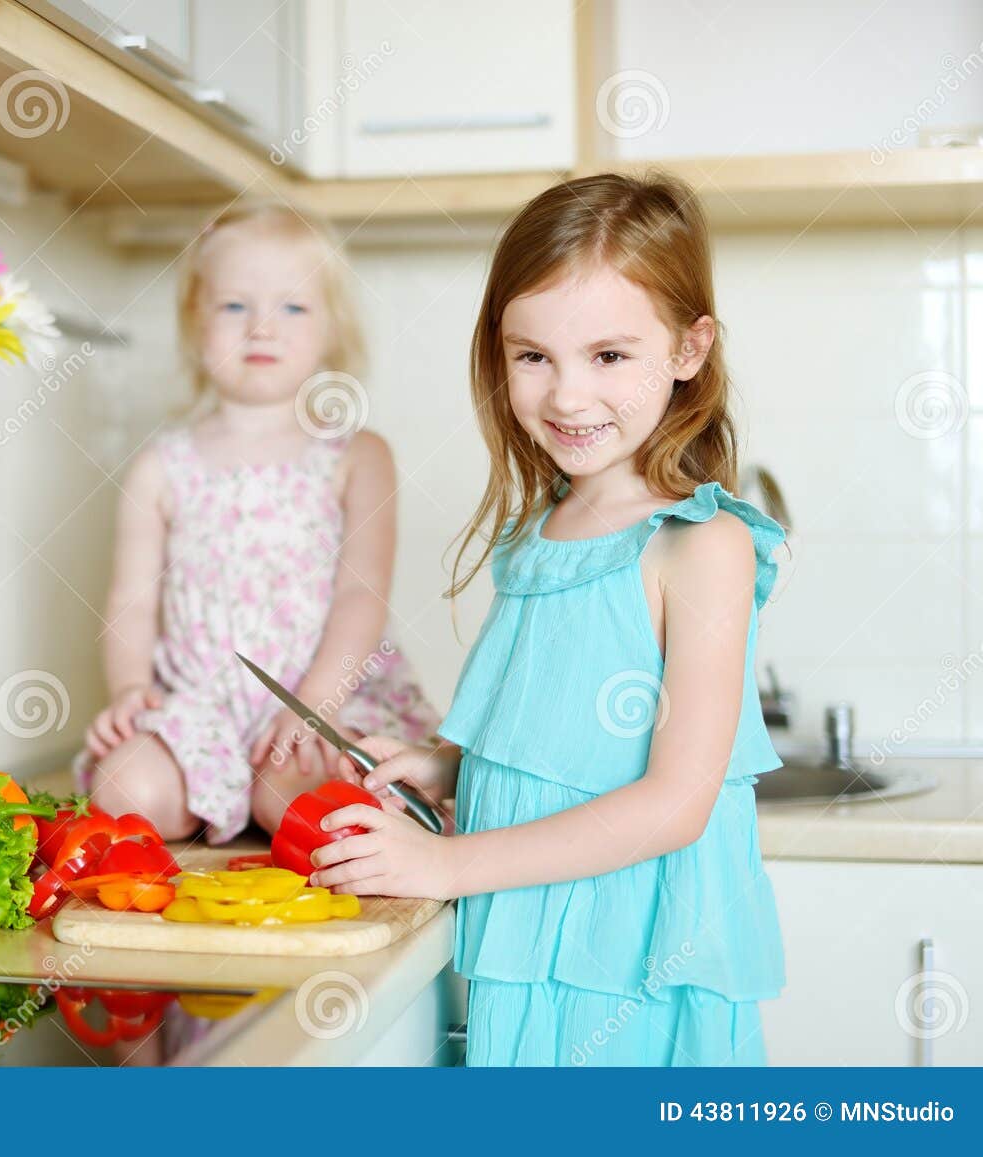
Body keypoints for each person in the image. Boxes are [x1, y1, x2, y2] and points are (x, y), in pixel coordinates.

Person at [310, 172, 788, 1066]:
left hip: (633, 959)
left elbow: (674, 805)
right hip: (527, 936)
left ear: (690, 348)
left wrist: (444, 866)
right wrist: (454, 762)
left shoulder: (701, 543)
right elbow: (566, 726)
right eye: (533, 356)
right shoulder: (543, 529)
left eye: (609, 356)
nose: (567, 397)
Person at [72, 204, 438, 844]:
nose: (263, 327)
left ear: (331, 327)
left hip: (318, 695)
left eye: (294, 308)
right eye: (235, 306)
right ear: (195, 321)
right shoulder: (163, 465)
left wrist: (316, 704)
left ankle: (272, 794)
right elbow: (130, 601)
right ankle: (203, 790)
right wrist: (130, 690)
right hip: (198, 706)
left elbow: (362, 595)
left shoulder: (356, 455)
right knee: (124, 789)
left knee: (313, 807)